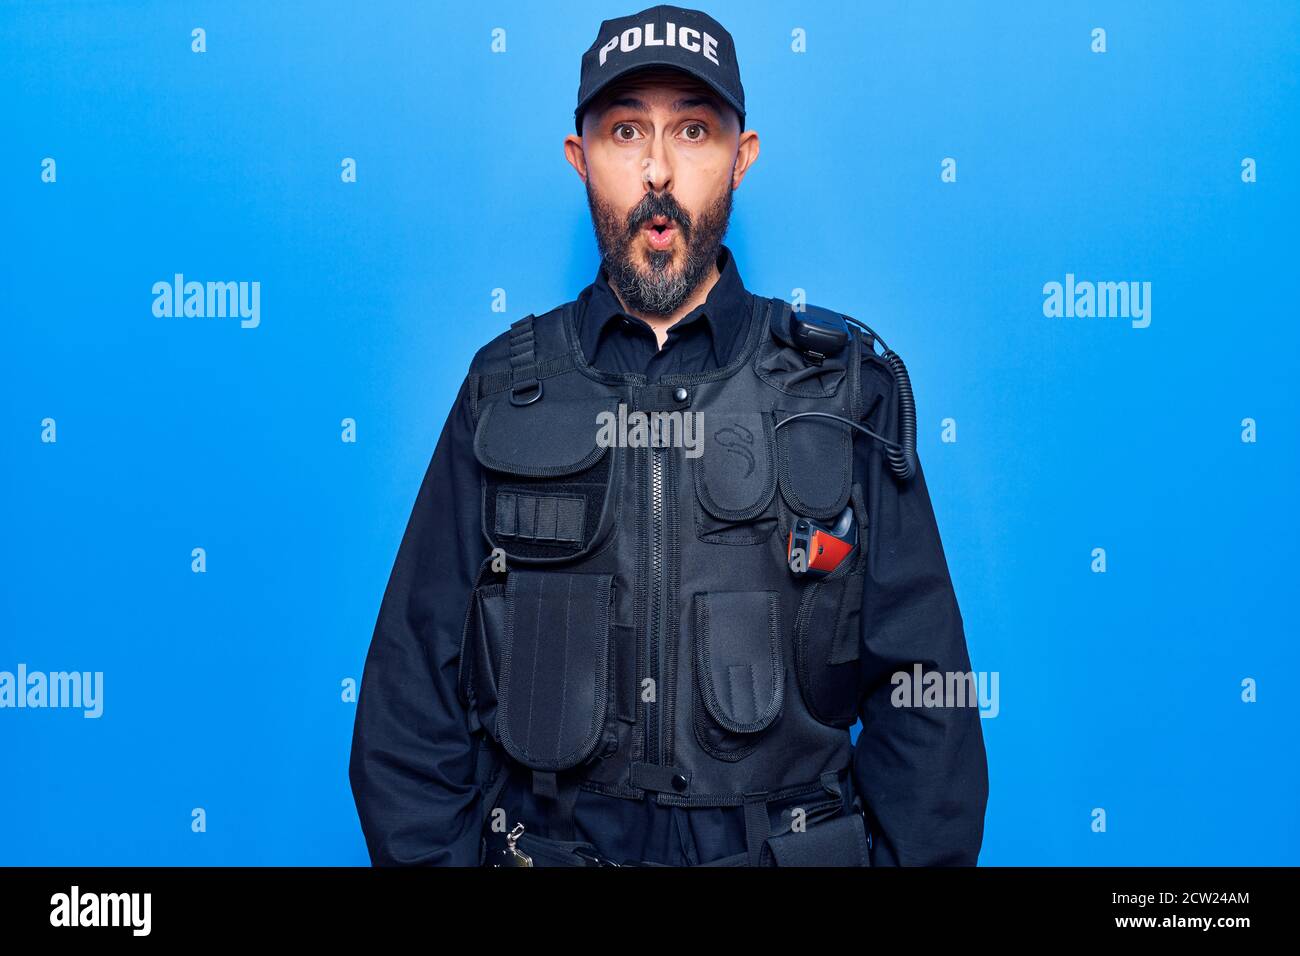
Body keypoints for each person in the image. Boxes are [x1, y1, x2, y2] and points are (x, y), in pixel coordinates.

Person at [348, 3, 988, 867]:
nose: (658, 169)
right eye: (624, 131)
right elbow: (405, 702)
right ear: (580, 161)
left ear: (741, 158)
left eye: (693, 130)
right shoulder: (504, 387)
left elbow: (928, 711)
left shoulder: (845, 391)